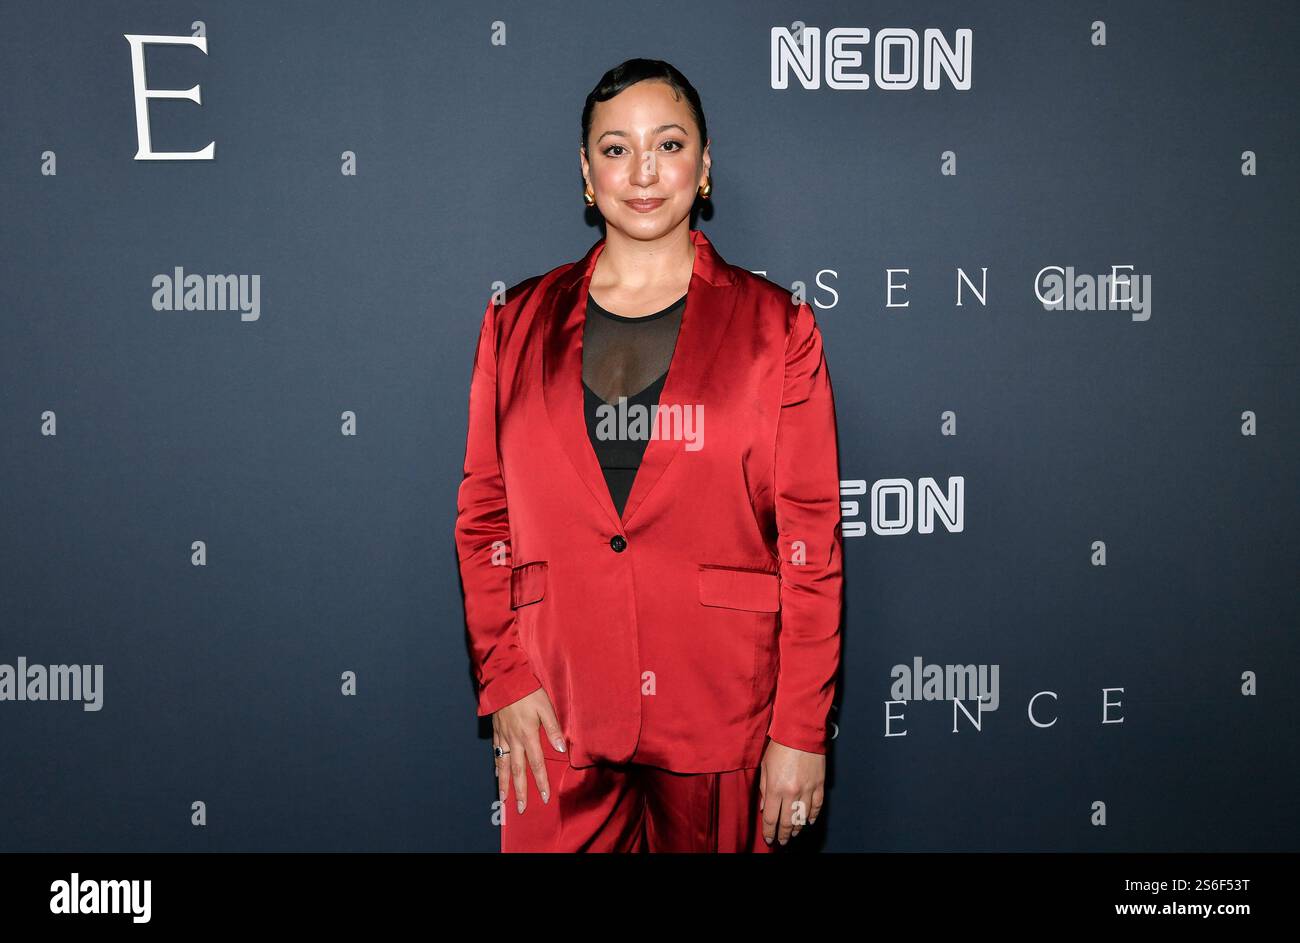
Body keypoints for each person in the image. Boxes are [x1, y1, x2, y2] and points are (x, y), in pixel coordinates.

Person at [454, 58, 844, 852]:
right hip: (555, 714)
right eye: (616, 148)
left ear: (704, 165)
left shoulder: (778, 329)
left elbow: (810, 543)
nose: (643, 172)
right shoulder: (513, 321)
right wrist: (504, 675)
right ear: (586, 172)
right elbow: (482, 511)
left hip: (720, 716)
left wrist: (800, 727)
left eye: (668, 145)